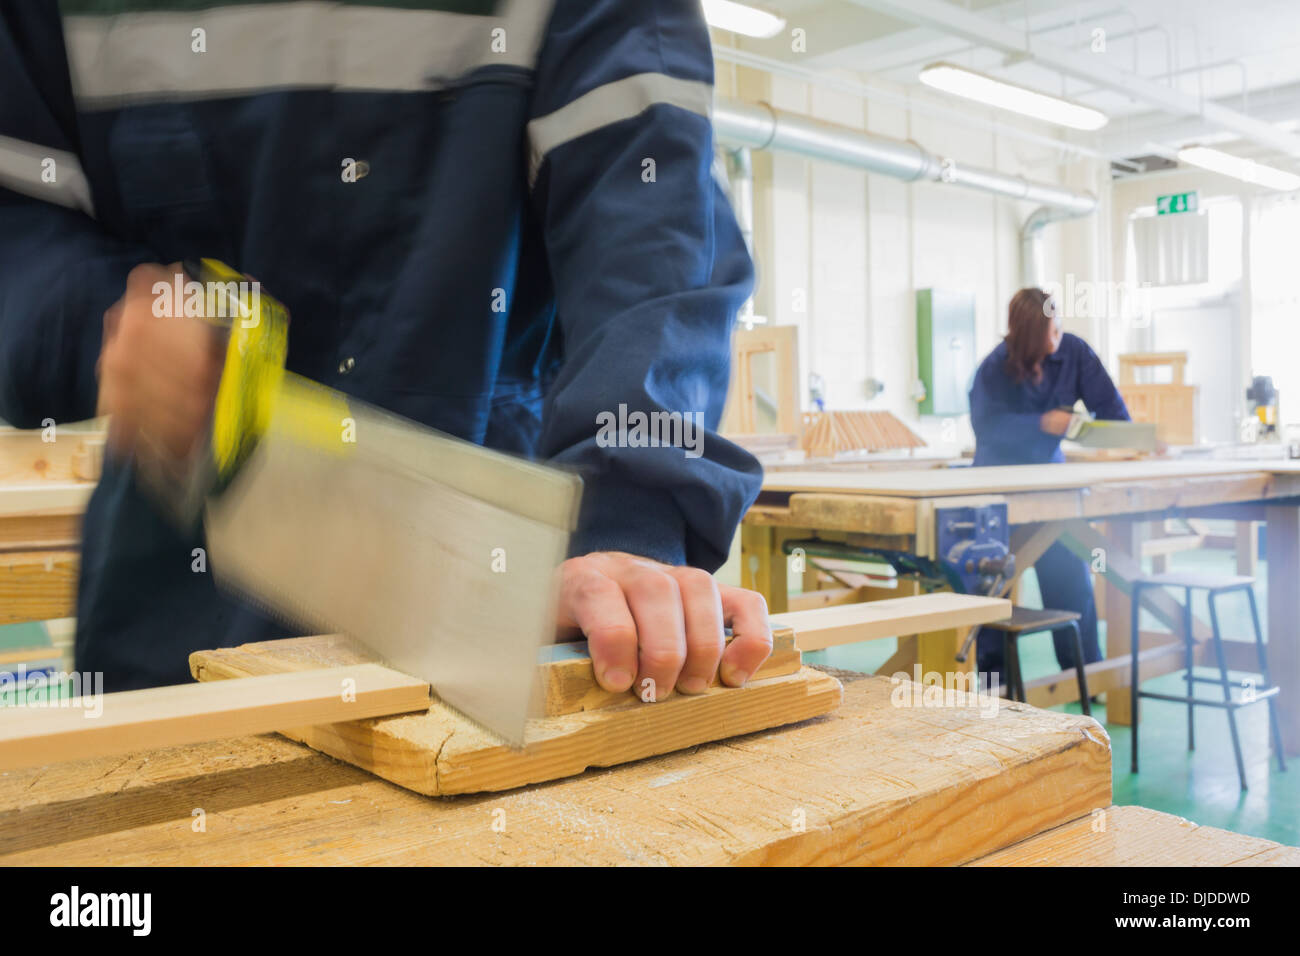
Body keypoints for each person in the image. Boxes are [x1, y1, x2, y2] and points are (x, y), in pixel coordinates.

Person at [0, 1, 773, 698]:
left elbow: (650, 230)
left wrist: (630, 521)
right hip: (174, 612)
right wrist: (99, 317)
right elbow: (17, 225)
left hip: (518, 597)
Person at [968, 287, 1131, 677]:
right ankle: (997, 684)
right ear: (1026, 335)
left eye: (1058, 327)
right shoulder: (994, 368)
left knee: (1071, 580)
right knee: (992, 586)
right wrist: (1043, 423)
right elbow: (987, 428)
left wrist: (1130, 440)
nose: (1056, 337)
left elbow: (1110, 409)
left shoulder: (1074, 353)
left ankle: (1084, 674)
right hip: (998, 487)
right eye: (1049, 331)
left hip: (1052, 488)